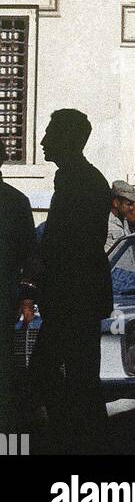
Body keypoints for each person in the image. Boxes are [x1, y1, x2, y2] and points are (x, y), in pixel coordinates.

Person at [19, 110, 112, 452]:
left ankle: (74, 437)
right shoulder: (81, 179)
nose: (42, 141)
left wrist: (38, 276)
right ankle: (81, 436)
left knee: (62, 375)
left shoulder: (78, 181)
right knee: (79, 377)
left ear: (67, 140)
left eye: (49, 133)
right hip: (77, 295)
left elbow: (67, 244)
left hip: (72, 295)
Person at [0, 139, 36, 433]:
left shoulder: (15, 202)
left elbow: (29, 257)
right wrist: (25, 298)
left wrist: (25, 298)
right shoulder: (16, 201)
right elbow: (30, 257)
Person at [106, 179, 135, 251]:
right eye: (128, 204)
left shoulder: (124, 221)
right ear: (116, 203)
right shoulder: (106, 222)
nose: (132, 208)